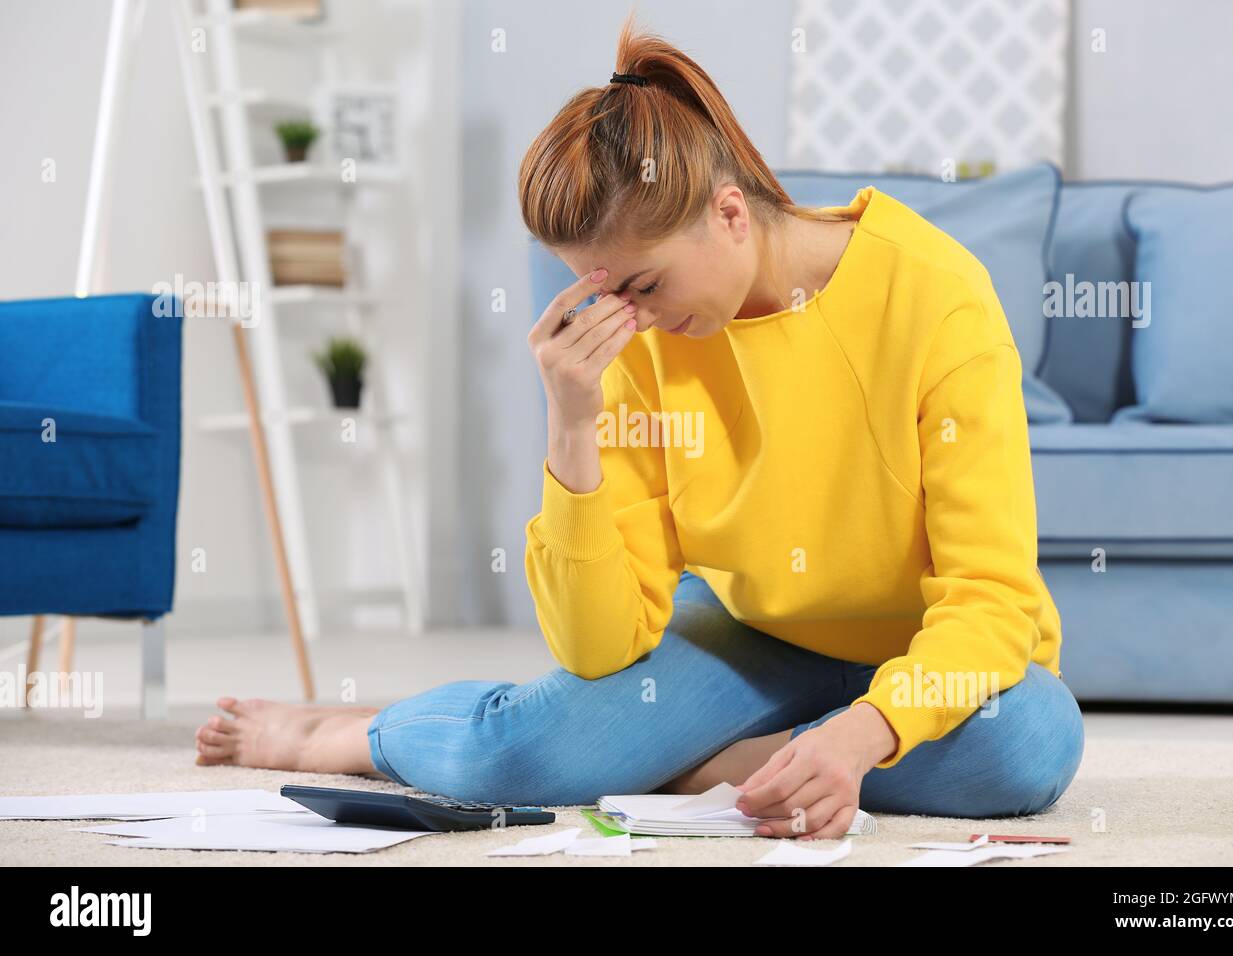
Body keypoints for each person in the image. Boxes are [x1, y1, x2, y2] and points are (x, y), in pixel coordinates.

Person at [195, 15, 1084, 840]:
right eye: (600, 292)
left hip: (931, 643)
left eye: (645, 287)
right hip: (754, 633)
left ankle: (697, 764)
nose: (631, 320)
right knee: (523, 758)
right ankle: (350, 734)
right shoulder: (641, 341)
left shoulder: (937, 299)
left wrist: (866, 733)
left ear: (730, 212)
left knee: (1029, 746)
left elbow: (991, 603)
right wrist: (571, 429)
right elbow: (598, 647)